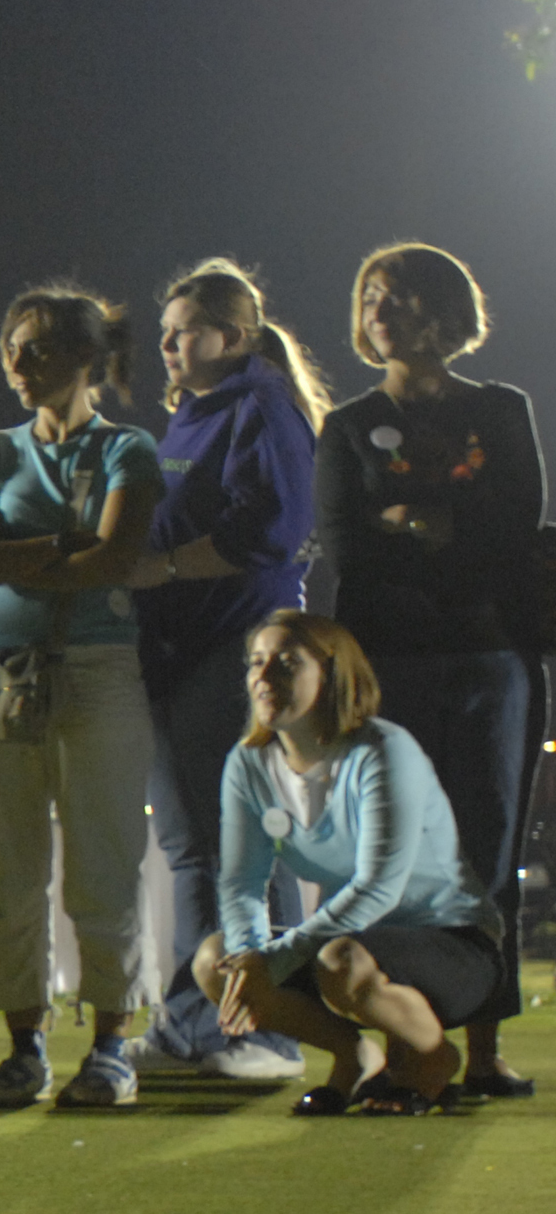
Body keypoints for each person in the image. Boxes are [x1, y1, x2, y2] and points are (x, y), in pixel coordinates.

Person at [314, 243, 545, 1098]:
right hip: (391, 665)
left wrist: (415, 523)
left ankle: (482, 1050)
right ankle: (406, 1045)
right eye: (370, 294)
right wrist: (431, 531)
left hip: (493, 658)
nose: (381, 307)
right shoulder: (345, 426)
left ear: (446, 314)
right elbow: (348, 547)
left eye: (401, 295)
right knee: (394, 857)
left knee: (487, 855)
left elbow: (517, 523)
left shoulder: (503, 410)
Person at [0, 287, 163, 1109]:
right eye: (12, 347)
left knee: (103, 863)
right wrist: (63, 544)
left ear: (86, 357)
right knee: (8, 865)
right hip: (4, 666)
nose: (19, 363)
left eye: (36, 348)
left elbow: (116, 561)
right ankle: (23, 1045)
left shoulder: (126, 448)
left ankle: (111, 1042)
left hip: (99, 667)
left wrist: (13, 550)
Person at [125, 259, 329, 1083]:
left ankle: (252, 1031)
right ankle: (203, 1025)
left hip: (235, 647)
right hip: (181, 652)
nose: (169, 346)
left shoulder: (260, 405)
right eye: (165, 334)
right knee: (201, 845)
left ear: (234, 336)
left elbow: (268, 532)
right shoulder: (193, 415)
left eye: (186, 331)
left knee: (231, 847)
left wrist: (163, 569)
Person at [198, 612, 499, 1116]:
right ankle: (356, 1057)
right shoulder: (249, 762)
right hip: (354, 941)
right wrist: (250, 956)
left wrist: (272, 961)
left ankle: (432, 1060)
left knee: (339, 961)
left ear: (332, 674)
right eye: (256, 663)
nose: (264, 677)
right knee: (216, 961)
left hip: (453, 941)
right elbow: (241, 883)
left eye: (287, 663)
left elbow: (379, 887)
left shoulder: (383, 751)